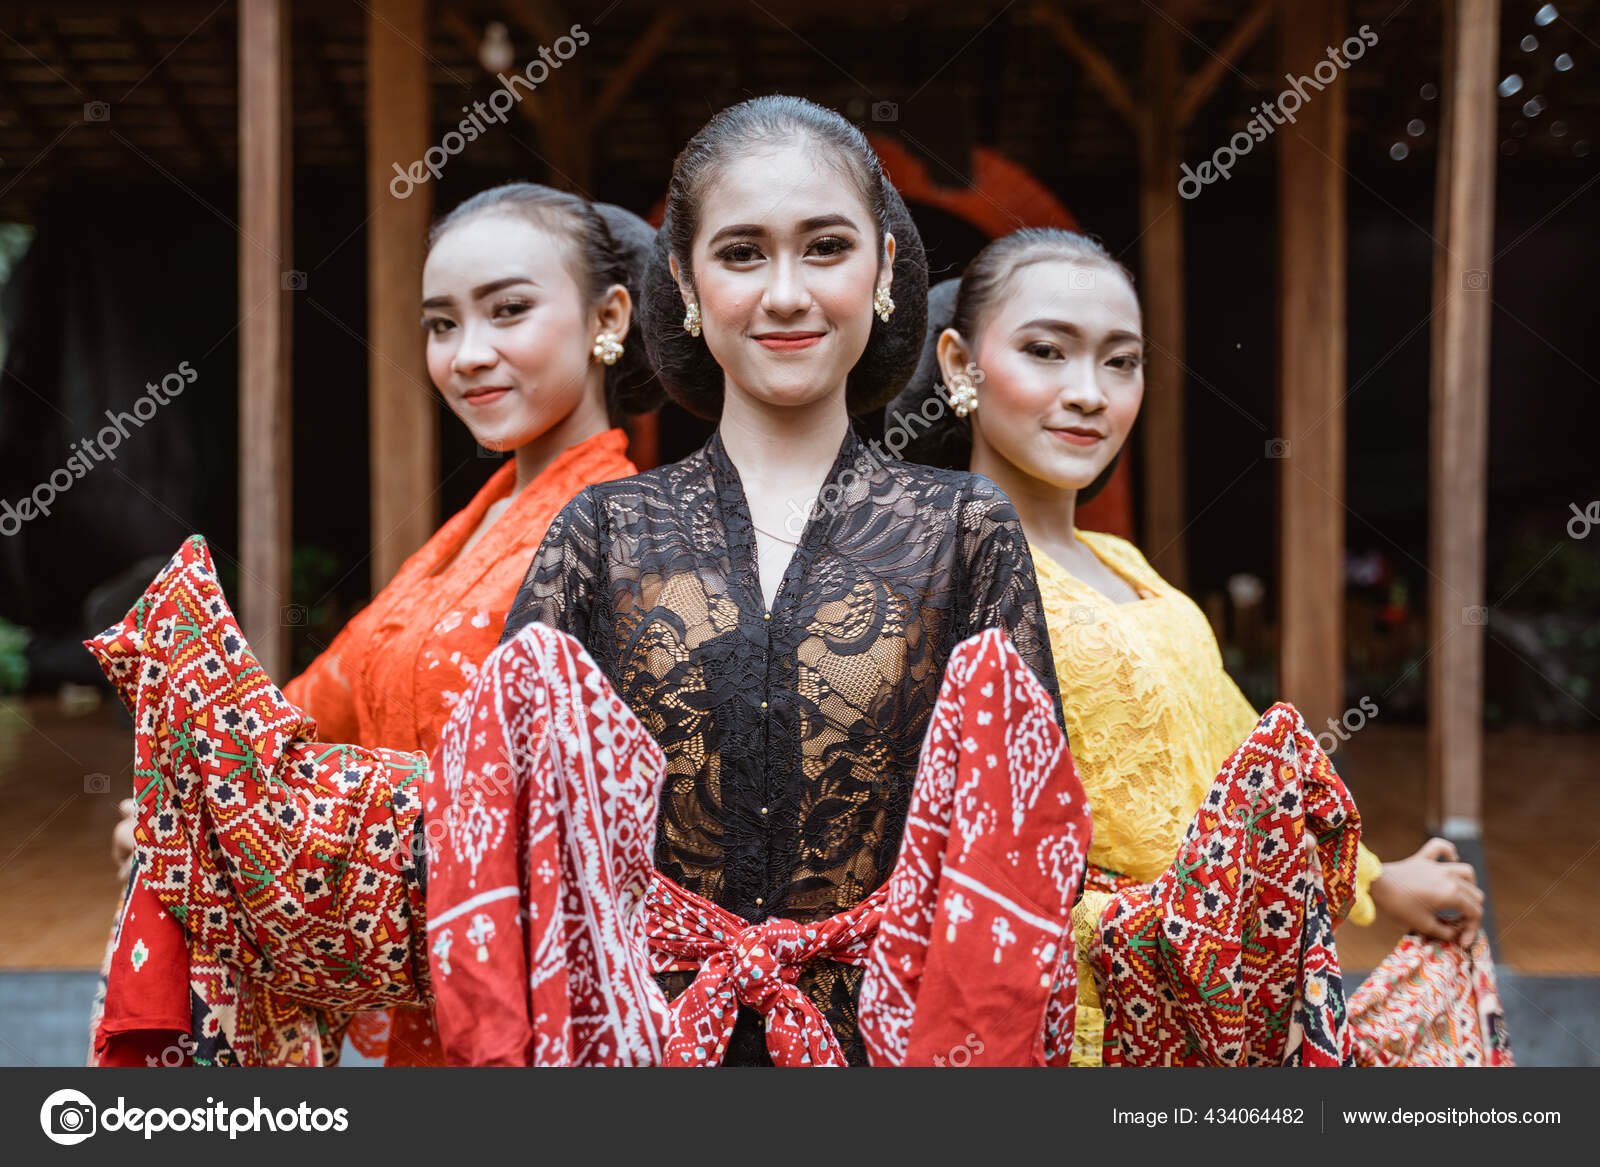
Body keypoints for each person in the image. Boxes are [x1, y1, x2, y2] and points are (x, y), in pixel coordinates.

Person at [90, 98, 1091, 1068]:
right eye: (741, 253)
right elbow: (504, 833)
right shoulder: (602, 531)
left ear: (881, 270)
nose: (785, 291)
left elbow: (1020, 845)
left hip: (889, 1059)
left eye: (824, 247)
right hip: (634, 1057)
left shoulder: (965, 527)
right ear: (688, 289)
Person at [886, 229, 1510, 1067]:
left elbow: (1234, 752)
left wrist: (1377, 878)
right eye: (1046, 351)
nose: (1089, 393)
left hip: (1213, 1014)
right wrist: (1134, 922)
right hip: (1069, 1026)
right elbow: (907, 848)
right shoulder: (933, 575)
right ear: (960, 365)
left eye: (1121, 361)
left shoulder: (1128, 566)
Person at [95, 183, 660, 1067]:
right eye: (442, 324)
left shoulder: (635, 533)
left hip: (545, 1005)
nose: (469, 354)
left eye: (508, 311)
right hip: (423, 1010)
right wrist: (189, 798)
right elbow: (305, 709)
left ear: (609, 316)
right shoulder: (456, 539)